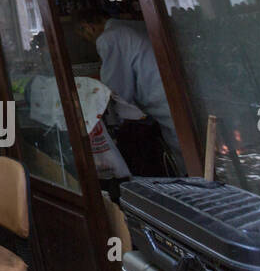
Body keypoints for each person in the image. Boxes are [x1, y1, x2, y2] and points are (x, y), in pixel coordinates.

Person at [77, 10, 182, 170]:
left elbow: (115, 90)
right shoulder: (133, 26)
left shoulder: (109, 38)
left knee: (186, 157)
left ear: (87, 27)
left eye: (84, 35)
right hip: (178, 94)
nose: (87, 39)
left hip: (166, 103)